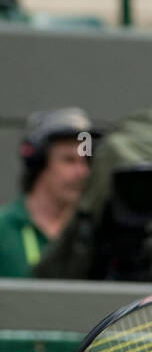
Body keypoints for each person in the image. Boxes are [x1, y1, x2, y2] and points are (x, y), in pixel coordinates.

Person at [0, 109, 96, 280]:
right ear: (38, 164)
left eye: (85, 161)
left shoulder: (91, 233)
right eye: (69, 160)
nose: (82, 172)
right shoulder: (4, 228)